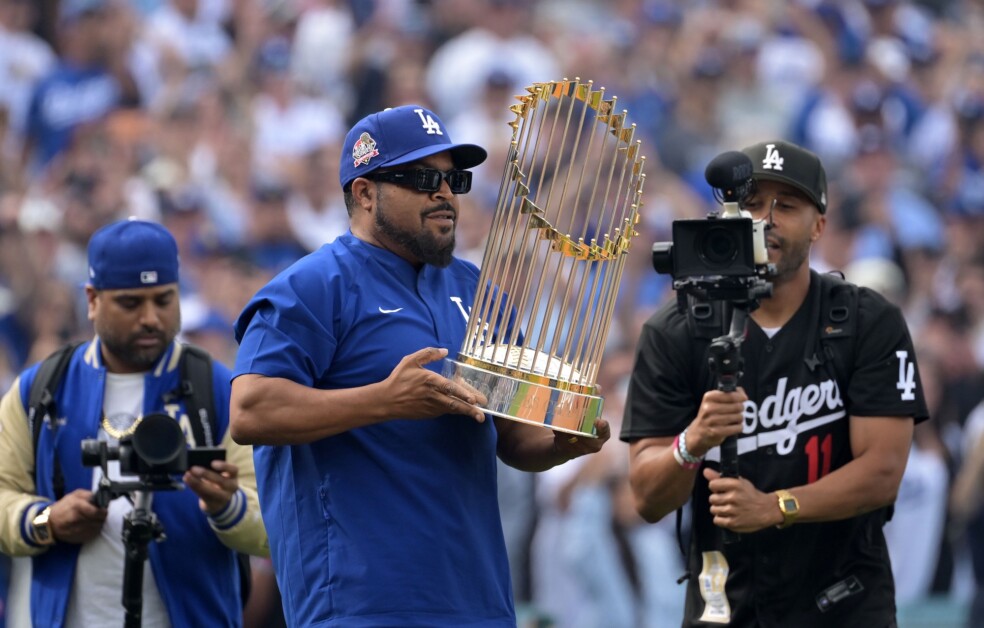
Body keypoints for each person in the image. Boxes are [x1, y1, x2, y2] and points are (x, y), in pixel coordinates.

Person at [229, 104, 611, 627]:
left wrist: (563, 443)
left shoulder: (477, 290)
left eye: (455, 178)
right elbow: (250, 411)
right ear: (364, 193)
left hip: (478, 599)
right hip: (361, 603)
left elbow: (515, 439)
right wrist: (384, 401)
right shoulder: (312, 286)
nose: (445, 193)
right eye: (423, 177)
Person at [622, 140, 929, 627]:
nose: (766, 219)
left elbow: (884, 472)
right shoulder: (677, 329)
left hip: (843, 602)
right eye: (753, 204)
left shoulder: (867, 319)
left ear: (819, 224)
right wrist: (693, 441)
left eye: (786, 205)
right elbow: (645, 498)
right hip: (726, 605)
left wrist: (776, 507)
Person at [0, 219, 268, 627]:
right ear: (92, 300)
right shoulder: (40, 388)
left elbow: (276, 518)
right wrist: (47, 520)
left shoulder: (217, 389)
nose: (150, 318)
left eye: (164, 300)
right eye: (130, 303)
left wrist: (224, 504)